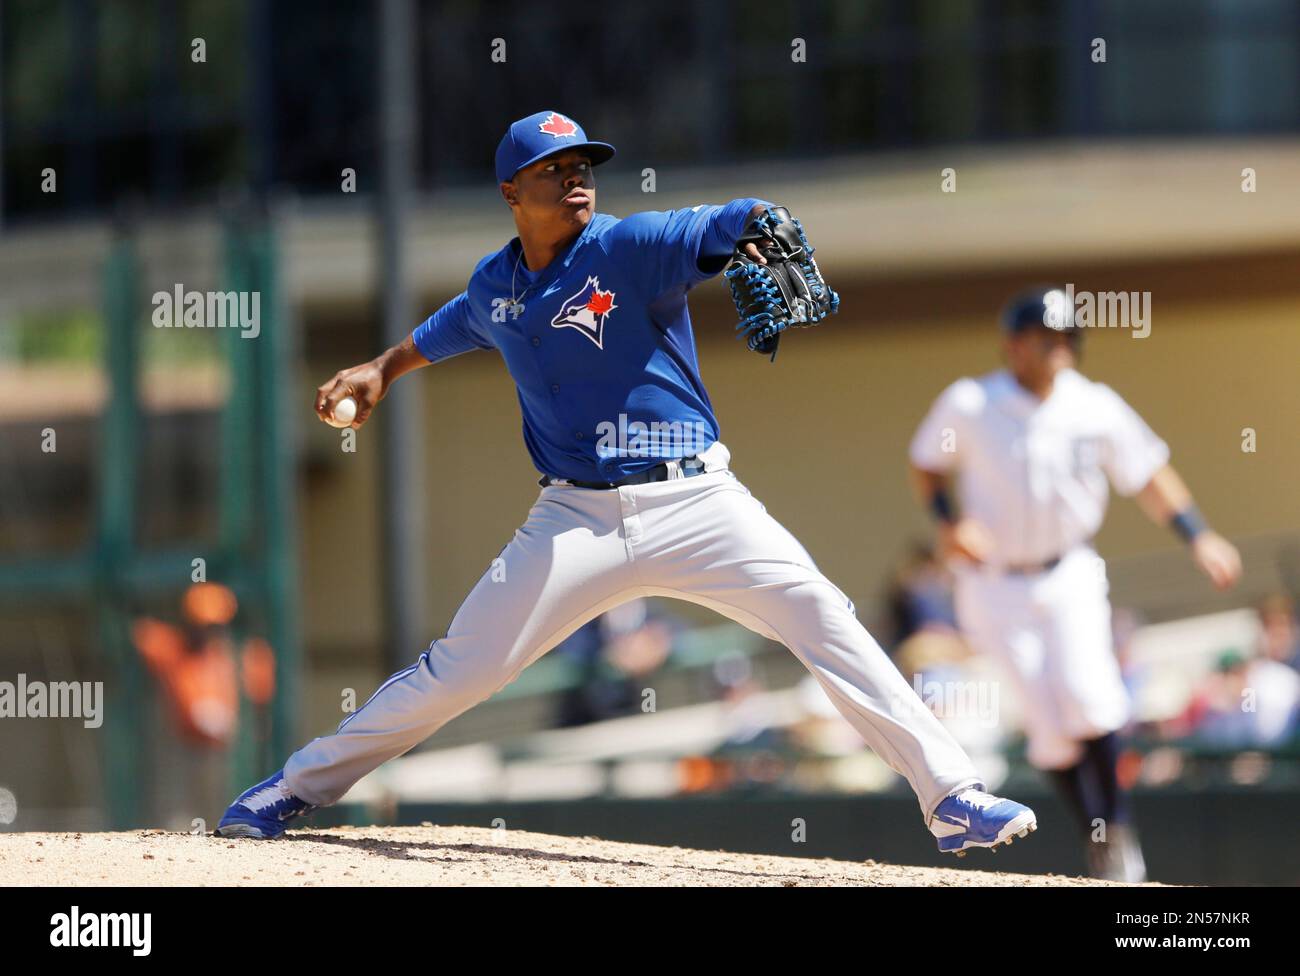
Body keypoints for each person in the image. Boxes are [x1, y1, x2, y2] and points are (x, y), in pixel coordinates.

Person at [216, 110, 1037, 856]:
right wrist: (378, 370)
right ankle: (295, 787)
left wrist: (756, 222)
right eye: (553, 168)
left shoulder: (630, 246)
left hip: (698, 501)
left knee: (823, 617)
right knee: (461, 668)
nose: (575, 176)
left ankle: (953, 797)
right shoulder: (494, 289)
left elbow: (720, 223)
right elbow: (443, 332)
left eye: (583, 164)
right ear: (511, 191)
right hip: (574, 516)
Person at [907, 286, 1242, 881]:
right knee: (1051, 733)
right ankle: (1096, 829)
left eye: (1067, 339)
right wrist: (951, 523)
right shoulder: (971, 402)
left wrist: (1201, 536)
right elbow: (927, 461)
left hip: (1069, 572)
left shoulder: (1094, 406)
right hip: (993, 583)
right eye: (1047, 339)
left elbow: (1147, 472)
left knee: (1092, 698)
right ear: (1015, 347)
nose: (1060, 349)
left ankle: (1113, 831)